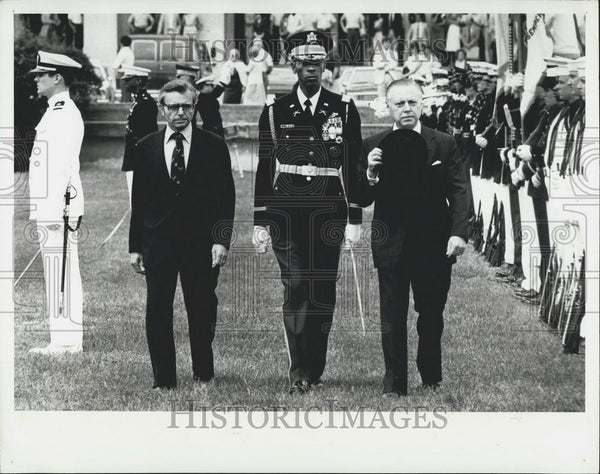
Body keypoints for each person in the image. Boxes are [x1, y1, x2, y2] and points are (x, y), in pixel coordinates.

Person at [252, 31, 363, 395]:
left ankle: (315, 366)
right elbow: (265, 168)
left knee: (321, 292)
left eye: (318, 64)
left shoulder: (343, 110)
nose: (312, 70)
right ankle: (298, 370)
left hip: (329, 211)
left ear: (325, 67)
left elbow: (354, 166)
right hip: (287, 212)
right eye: (304, 64)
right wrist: (260, 220)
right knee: (296, 284)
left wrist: (356, 219)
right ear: (293, 66)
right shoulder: (274, 112)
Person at [357, 79, 469, 396]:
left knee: (431, 312)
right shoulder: (373, 146)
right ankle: (395, 383)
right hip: (390, 241)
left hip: (434, 243)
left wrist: (458, 233)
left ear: (422, 103)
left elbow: (460, 191)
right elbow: (361, 197)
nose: (406, 109)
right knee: (391, 314)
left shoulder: (443, 143)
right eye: (399, 104)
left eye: (412, 102)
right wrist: (369, 174)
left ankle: (431, 375)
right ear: (388, 107)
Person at [129, 79, 235, 389]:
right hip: (158, 241)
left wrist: (221, 239)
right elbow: (140, 202)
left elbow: (225, 198)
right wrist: (135, 246)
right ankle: (164, 379)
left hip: (200, 242)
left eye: (186, 106)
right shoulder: (145, 147)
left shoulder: (213, 145)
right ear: (162, 109)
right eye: (173, 106)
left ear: (194, 107)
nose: (180, 112)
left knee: (201, 307)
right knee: (158, 308)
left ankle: (203, 371)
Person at [27, 51, 85, 355]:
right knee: (56, 270)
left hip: (58, 206)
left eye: (41, 74)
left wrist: (55, 207)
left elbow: (61, 164)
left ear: (57, 77)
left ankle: (66, 341)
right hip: (50, 205)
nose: (37, 79)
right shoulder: (55, 110)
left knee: (62, 271)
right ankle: (62, 338)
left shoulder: (63, 111)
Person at [120, 65, 158, 205]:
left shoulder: (145, 103)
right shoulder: (138, 102)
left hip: (141, 160)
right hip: (134, 157)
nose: (124, 83)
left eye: (128, 79)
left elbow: (148, 135)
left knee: (140, 203)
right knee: (135, 202)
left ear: (137, 81)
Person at [113, 36, 135, 102]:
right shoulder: (130, 52)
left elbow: (115, 65)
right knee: (128, 94)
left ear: (121, 43)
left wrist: (116, 73)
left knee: (124, 93)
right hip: (130, 73)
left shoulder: (123, 51)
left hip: (124, 74)